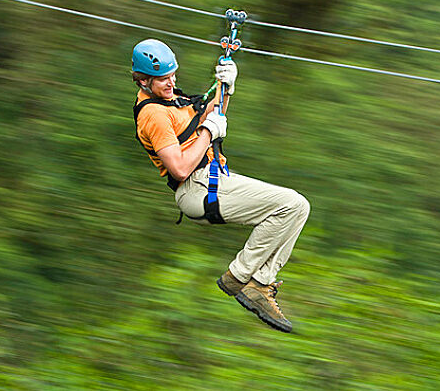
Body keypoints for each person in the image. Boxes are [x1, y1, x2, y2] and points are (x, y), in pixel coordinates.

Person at [131, 39, 310, 333]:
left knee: (297, 207)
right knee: (288, 205)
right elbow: (179, 167)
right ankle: (240, 278)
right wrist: (208, 132)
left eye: (172, 74)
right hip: (197, 187)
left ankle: (260, 283)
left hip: (214, 177)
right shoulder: (153, 115)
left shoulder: (173, 101)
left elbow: (213, 115)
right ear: (143, 80)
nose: (171, 82)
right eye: (163, 78)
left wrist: (226, 86)